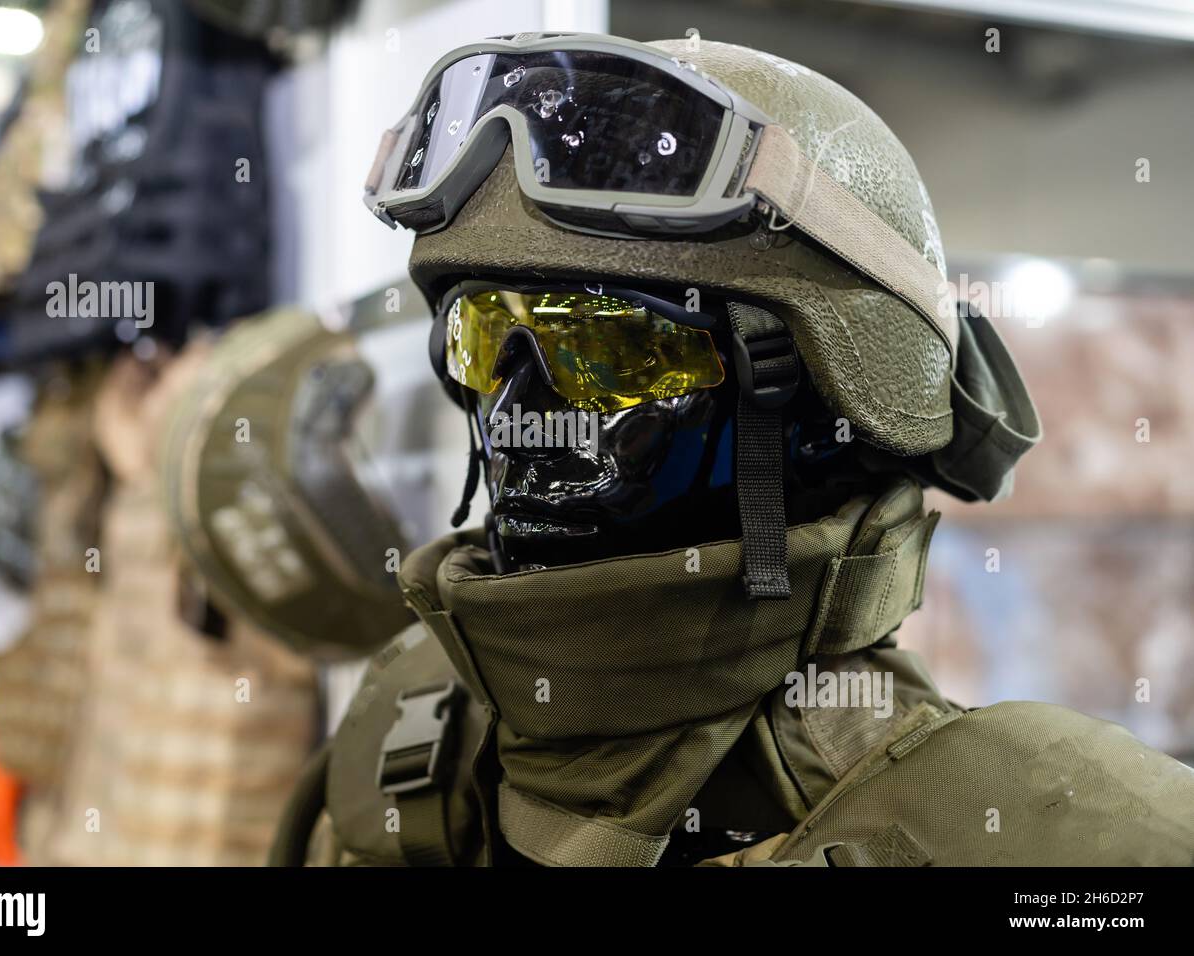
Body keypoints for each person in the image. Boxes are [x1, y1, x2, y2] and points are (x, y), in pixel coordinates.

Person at [271, 33, 1194, 867]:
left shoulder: (1062, 836)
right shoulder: (400, 753)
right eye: (485, 338)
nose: (515, 410)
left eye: (610, 350)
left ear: (820, 405)